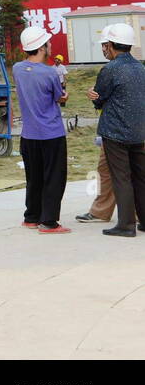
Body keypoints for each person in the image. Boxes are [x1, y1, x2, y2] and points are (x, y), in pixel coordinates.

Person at [86, 23, 145, 237]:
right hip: (139, 131)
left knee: (121, 178)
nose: (104, 49)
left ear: (110, 45)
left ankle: (126, 225)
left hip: (115, 132)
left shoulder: (109, 69)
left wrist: (92, 95)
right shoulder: (140, 67)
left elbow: (99, 101)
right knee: (140, 176)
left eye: (104, 45)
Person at [13, 26, 69, 233]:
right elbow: (58, 97)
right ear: (42, 47)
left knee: (34, 177)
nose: (50, 45)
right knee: (54, 177)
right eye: (48, 43)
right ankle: (49, 222)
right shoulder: (50, 73)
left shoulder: (17, 68)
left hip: (29, 134)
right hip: (51, 133)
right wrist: (64, 97)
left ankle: (31, 217)